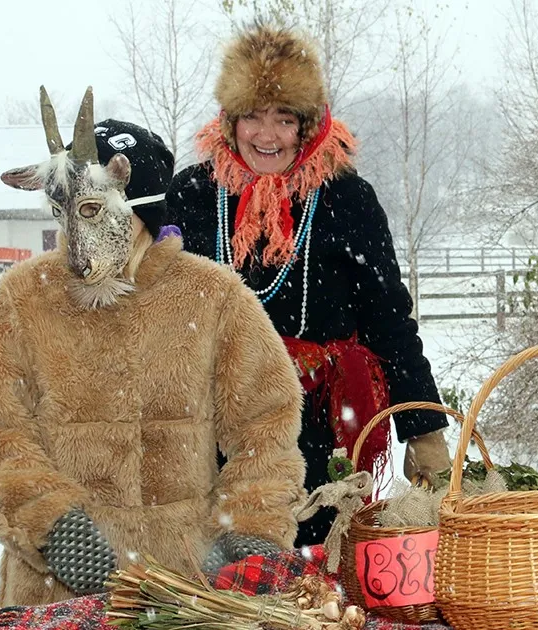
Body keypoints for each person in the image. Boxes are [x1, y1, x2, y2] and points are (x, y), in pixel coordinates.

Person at [0, 89, 307, 607]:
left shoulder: (215, 298)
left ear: (138, 203)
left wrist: (246, 536)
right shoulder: (21, 300)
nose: (74, 235)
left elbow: (266, 430)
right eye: (62, 209)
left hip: (189, 591)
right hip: (55, 595)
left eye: (93, 209)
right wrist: (57, 529)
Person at [166, 21, 453, 547]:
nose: (267, 135)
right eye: (252, 116)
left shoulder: (348, 200)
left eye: (284, 118)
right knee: (224, 573)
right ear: (229, 122)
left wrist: (424, 431)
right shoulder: (191, 196)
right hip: (216, 427)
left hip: (323, 433)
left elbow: (390, 321)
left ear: (309, 122)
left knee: (319, 580)